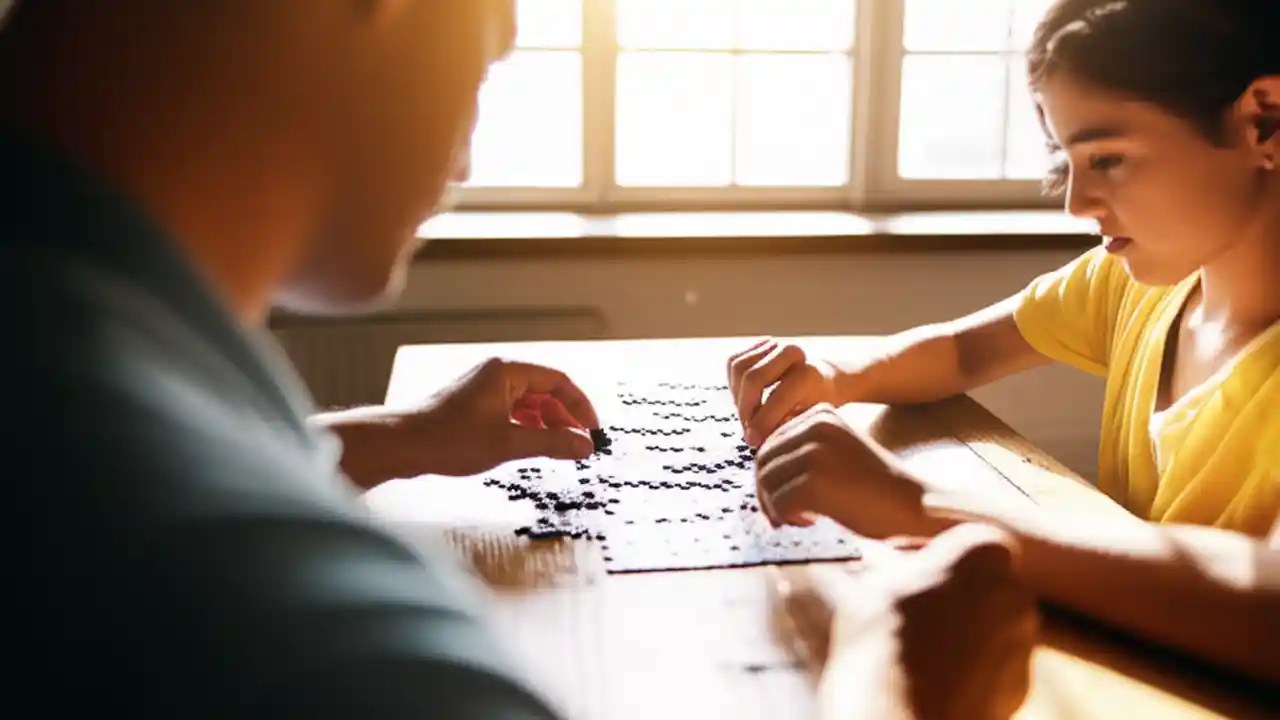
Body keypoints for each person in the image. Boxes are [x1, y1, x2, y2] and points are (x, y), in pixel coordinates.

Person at [3, 1, 1037, 718]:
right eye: (492, 46)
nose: (472, 146)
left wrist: (400, 438)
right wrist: (896, 690)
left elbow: (190, 455)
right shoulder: (280, 623)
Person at [728, 0, 1280, 686]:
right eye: (1067, 160)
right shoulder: (1135, 286)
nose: (1076, 202)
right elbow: (965, 351)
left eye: (1107, 157)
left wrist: (921, 507)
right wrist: (836, 373)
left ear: (1266, 120)